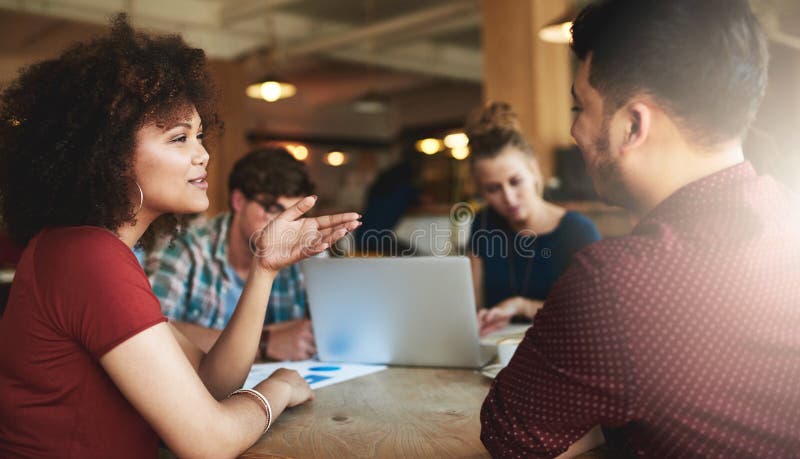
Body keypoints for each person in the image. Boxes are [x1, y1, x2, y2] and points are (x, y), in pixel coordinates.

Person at [0, 16, 360, 458]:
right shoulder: (87, 256)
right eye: (179, 138)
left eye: (200, 135)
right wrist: (278, 389)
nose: (203, 153)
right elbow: (208, 443)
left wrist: (264, 269)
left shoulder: (90, 248)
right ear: (111, 157)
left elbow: (209, 381)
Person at [481, 0, 800, 457]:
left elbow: (509, 438)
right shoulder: (791, 215)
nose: (574, 131)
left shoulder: (616, 283)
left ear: (632, 125)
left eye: (580, 107)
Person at [146, 147, 317, 361]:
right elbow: (151, 333)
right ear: (238, 201)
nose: (285, 225)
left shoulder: (308, 255)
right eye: (274, 208)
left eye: (295, 214)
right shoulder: (186, 249)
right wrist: (266, 342)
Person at [465, 102, 601, 336]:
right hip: (494, 349)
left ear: (534, 171)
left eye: (515, 182)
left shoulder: (578, 232)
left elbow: (594, 314)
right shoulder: (483, 223)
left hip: (559, 350)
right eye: (493, 189)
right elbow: (470, 304)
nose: (508, 198)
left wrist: (523, 305)